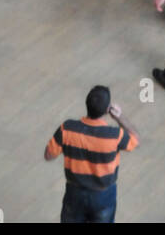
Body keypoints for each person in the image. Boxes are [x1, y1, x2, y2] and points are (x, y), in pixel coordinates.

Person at [44, 85, 140, 224]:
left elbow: (49, 155)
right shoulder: (114, 135)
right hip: (103, 196)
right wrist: (119, 117)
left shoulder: (67, 128)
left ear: (87, 104)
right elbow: (135, 139)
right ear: (108, 110)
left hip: (74, 193)